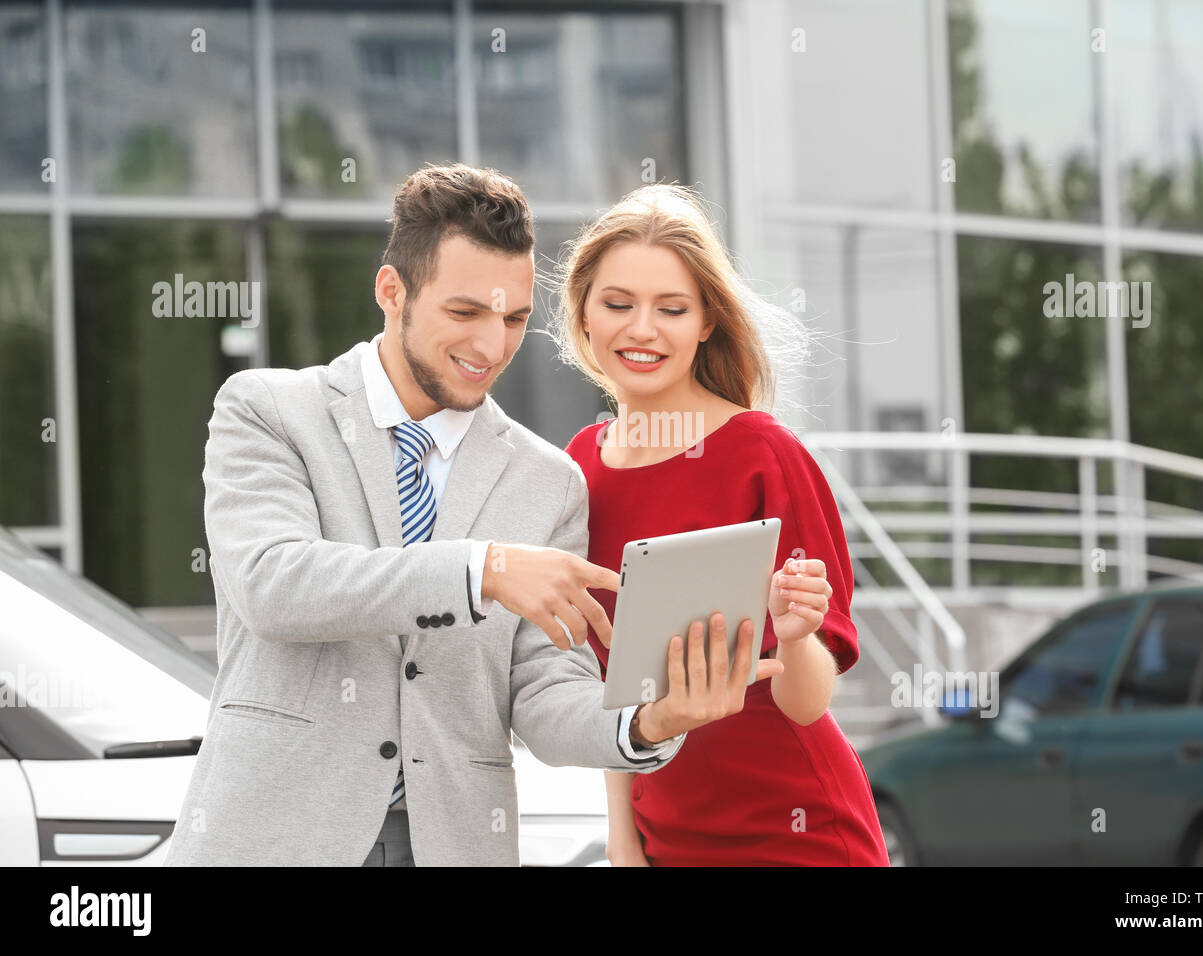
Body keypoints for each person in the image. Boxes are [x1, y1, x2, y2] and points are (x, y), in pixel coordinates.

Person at [164, 164, 773, 866]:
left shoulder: (550, 483)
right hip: (275, 841)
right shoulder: (269, 412)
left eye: (513, 318)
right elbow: (275, 587)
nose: (491, 346)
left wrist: (650, 721)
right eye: (466, 313)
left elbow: (545, 694)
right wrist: (482, 568)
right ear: (392, 291)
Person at [555, 183, 891, 866]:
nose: (641, 329)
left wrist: (796, 640)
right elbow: (609, 689)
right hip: (666, 840)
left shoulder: (765, 456)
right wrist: (625, 842)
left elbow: (808, 704)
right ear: (585, 313)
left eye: (671, 309)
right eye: (618, 304)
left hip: (799, 834)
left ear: (706, 321)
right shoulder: (578, 467)